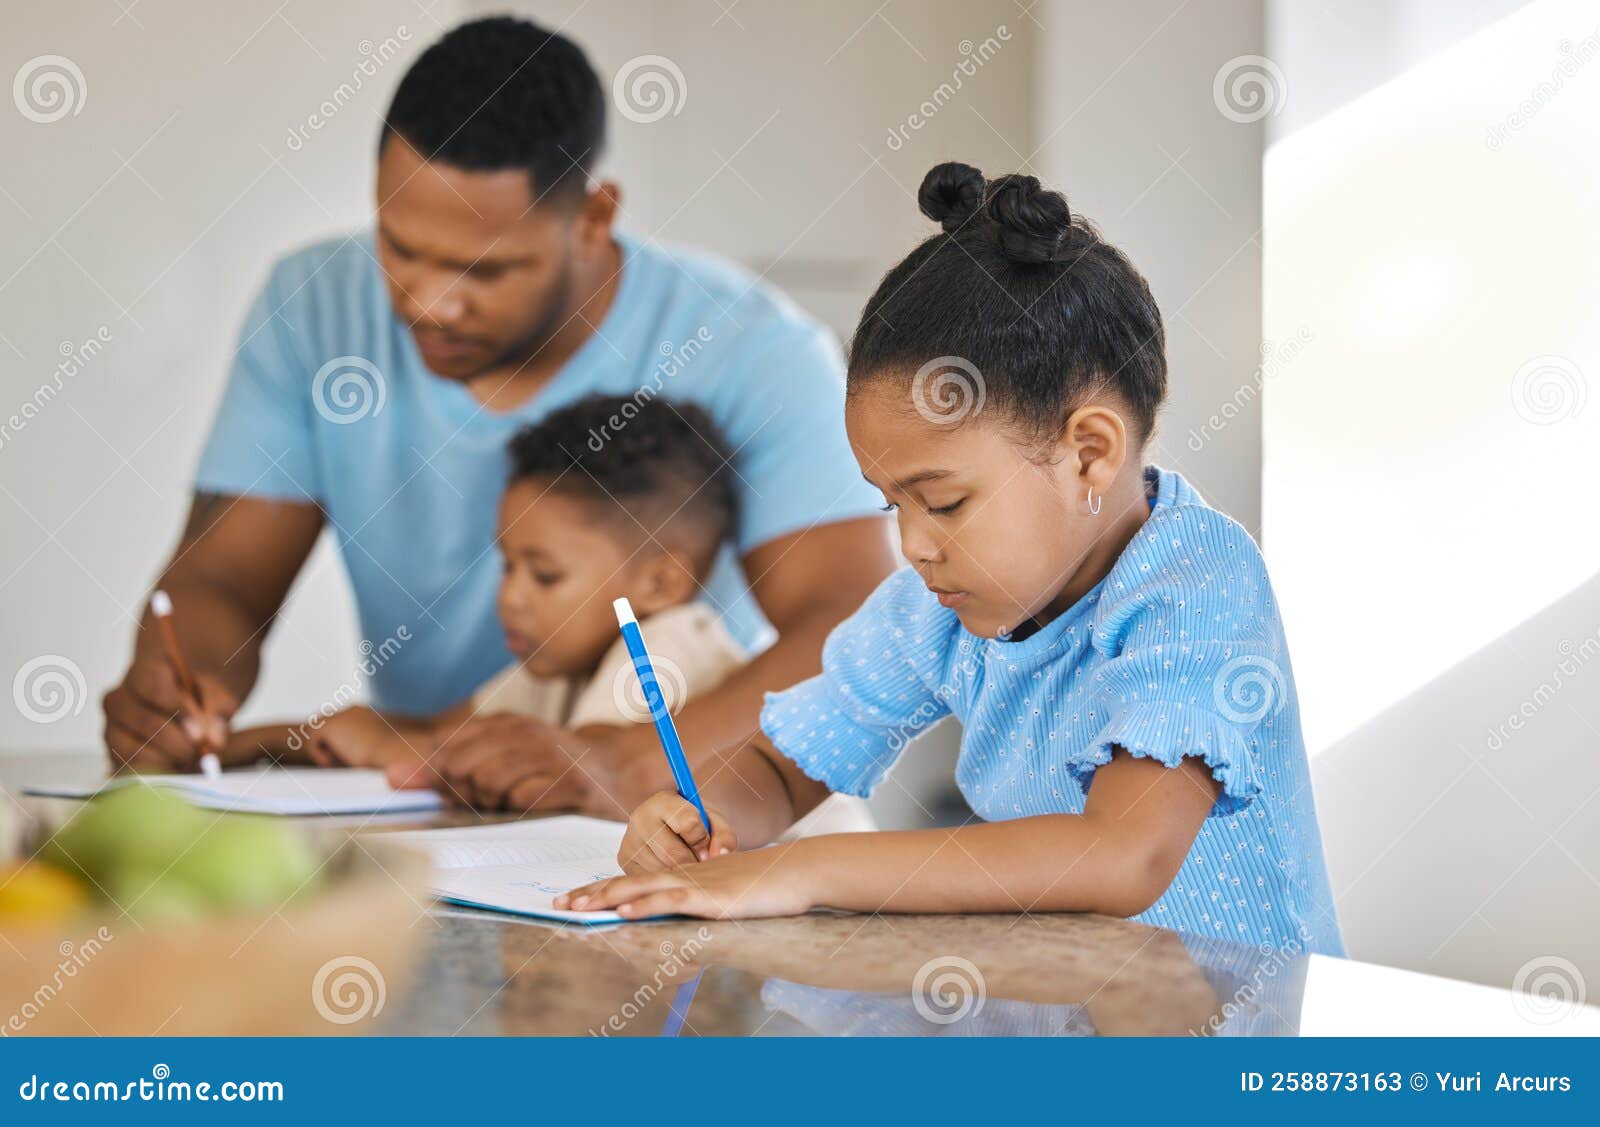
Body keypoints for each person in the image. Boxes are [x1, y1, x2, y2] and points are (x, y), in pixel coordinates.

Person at [101, 17, 895, 815]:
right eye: (402, 249)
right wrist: (181, 688)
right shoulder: (313, 308)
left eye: (484, 270)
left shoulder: (752, 348)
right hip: (439, 805)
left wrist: (620, 761)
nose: (428, 302)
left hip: (673, 806)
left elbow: (852, 629)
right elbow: (222, 581)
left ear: (593, 216)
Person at [555, 163, 1346, 956]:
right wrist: (705, 818)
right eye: (890, 503)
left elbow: (1123, 855)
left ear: (1090, 454)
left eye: (945, 502)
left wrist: (801, 869)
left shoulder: (1196, 583)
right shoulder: (936, 611)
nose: (913, 544)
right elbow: (780, 762)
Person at [228, 395, 872, 837]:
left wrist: (390, 744)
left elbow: (544, 779)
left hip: (821, 920)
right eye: (506, 567)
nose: (510, 598)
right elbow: (449, 735)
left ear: (658, 581)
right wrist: (268, 739)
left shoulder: (669, 650)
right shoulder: (553, 661)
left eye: (544, 575)